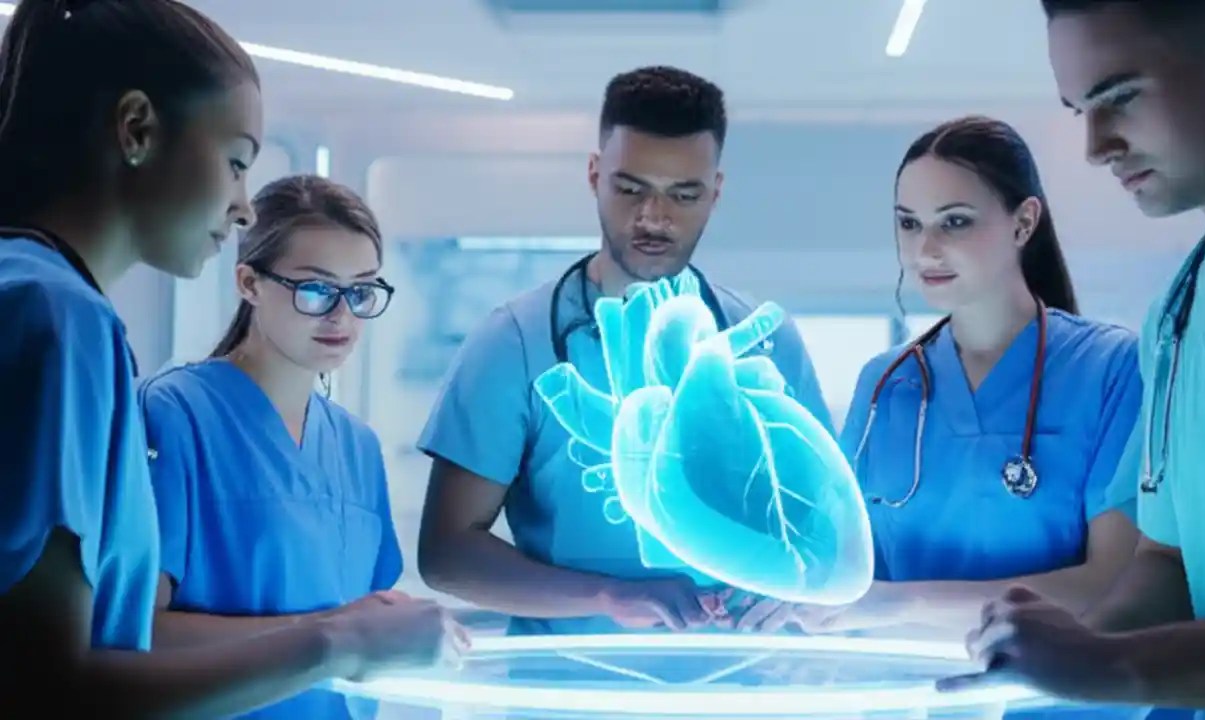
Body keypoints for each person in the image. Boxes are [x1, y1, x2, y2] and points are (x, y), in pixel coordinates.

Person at [0, 1, 465, 717]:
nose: (244, 208)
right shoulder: (59, 320)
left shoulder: (36, 297)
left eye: (361, 292)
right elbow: (47, 685)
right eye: (236, 162)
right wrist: (337, 641)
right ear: (136, 130)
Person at [942, 0, 1205, 713]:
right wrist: (1052, 655)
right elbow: (1170, 562)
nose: (1096, 146)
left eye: (1118, 95)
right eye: (1079, 110)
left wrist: (1112, 664)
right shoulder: (1174, 321)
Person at [416, 65, 833, 636]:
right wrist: (608, 595)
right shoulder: (515, 342)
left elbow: (823, 533)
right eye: (630, 188)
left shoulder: (764, 342)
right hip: (567, 691)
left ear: (715, 192)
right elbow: (446, 555)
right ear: (594, 175)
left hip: (736, 685)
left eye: (683, 195)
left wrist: (791, 588)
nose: (653, 218)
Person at [737, 116, 1143, 635]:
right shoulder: (885, 385)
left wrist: (902, 604)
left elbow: (1112, 585)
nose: (924, 249)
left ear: (1023, 223)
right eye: (909, 223)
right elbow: (839, 571)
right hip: (915, 699)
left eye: (954, 221)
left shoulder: (1109, 369)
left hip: (1053, 701)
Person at [140, 175, 407, 720]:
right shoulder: (174, 415)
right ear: (248, 282)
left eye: (360, 291)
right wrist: (332, 636)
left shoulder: (357, 447)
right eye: (315, 289)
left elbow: (371, 629)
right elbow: (137, 633)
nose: (342, 316)